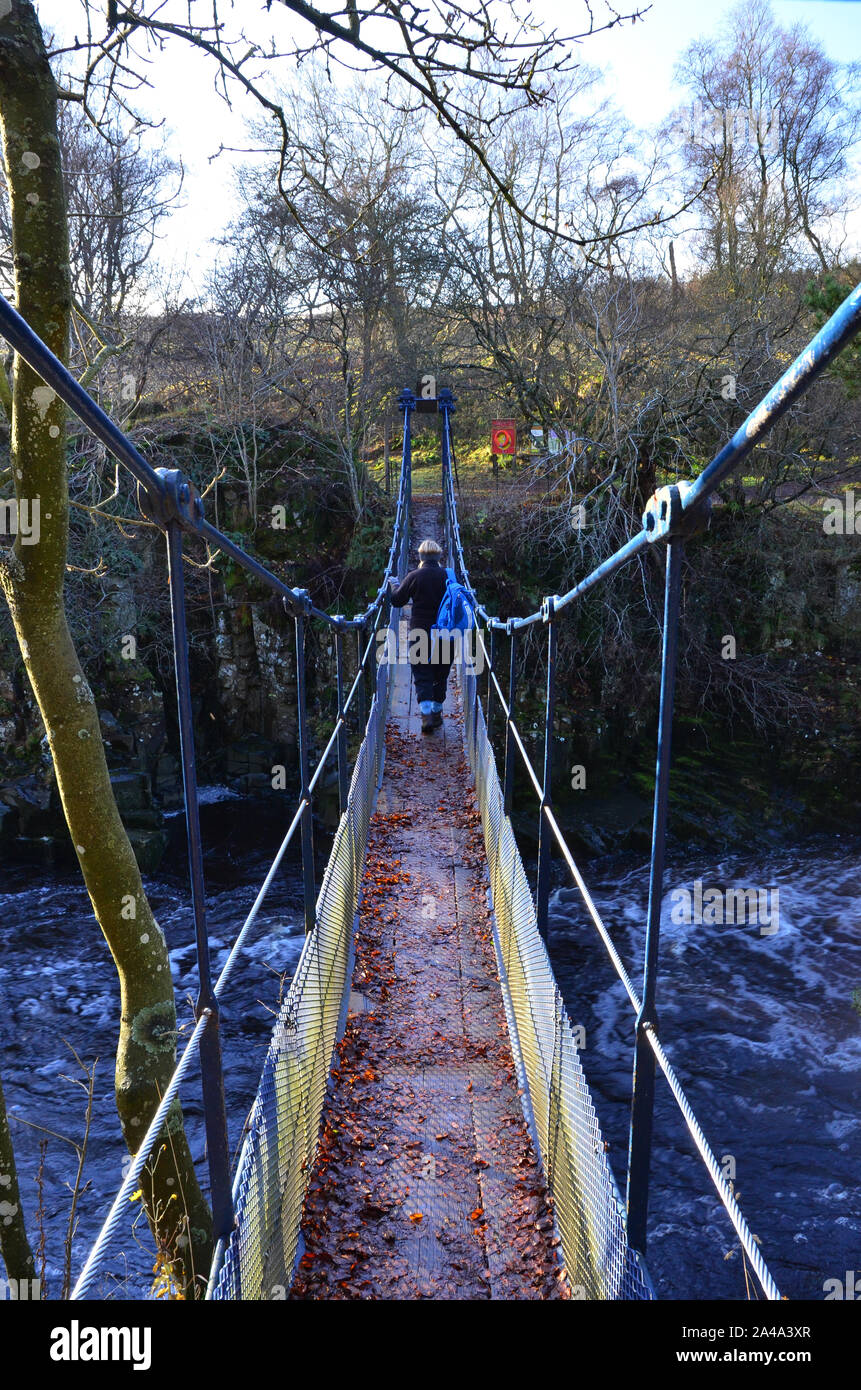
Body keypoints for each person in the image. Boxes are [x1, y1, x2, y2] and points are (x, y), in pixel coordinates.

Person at [388, 538, 453, 733]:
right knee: (441, 672)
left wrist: (394, 586)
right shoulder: (448, 576)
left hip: (420, 631)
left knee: (422, 672)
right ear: (439, 557)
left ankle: (425, 716)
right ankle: (437, 712)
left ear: (421, 556)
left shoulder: (414, 576)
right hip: (445, 632)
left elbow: (397, 602)